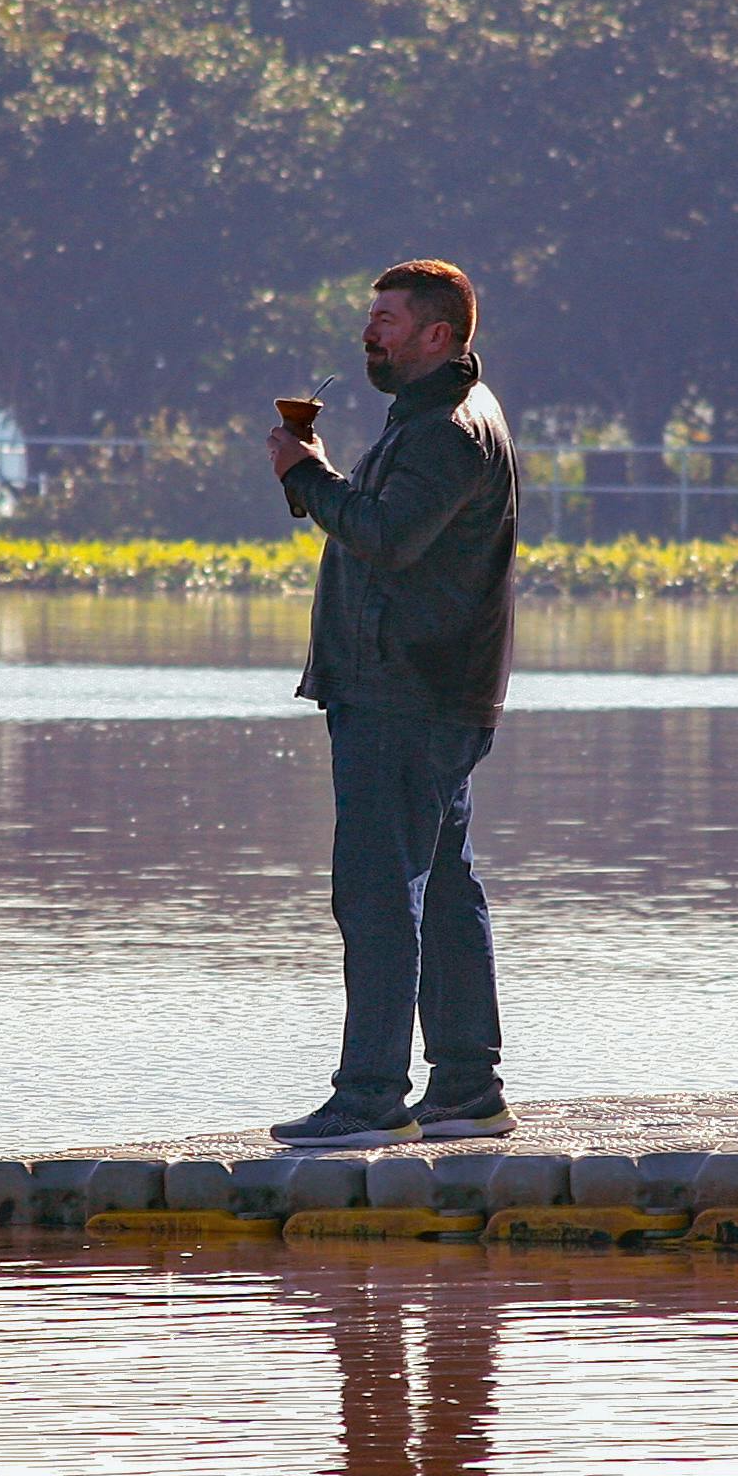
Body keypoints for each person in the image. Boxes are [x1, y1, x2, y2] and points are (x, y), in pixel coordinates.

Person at [264, 259, 521, 1148]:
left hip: (407, 690)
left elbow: (388, 537)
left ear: (439, 335)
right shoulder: (431, 419)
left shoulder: (448, 430)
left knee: (377, 891)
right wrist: (323, 478)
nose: (369, 332)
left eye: (386, 319)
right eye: (369, 317)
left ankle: (371, 1094)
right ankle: (465, 1091)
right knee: (443, 887)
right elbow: (389, 527)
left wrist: (307, 478)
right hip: (431, 688)